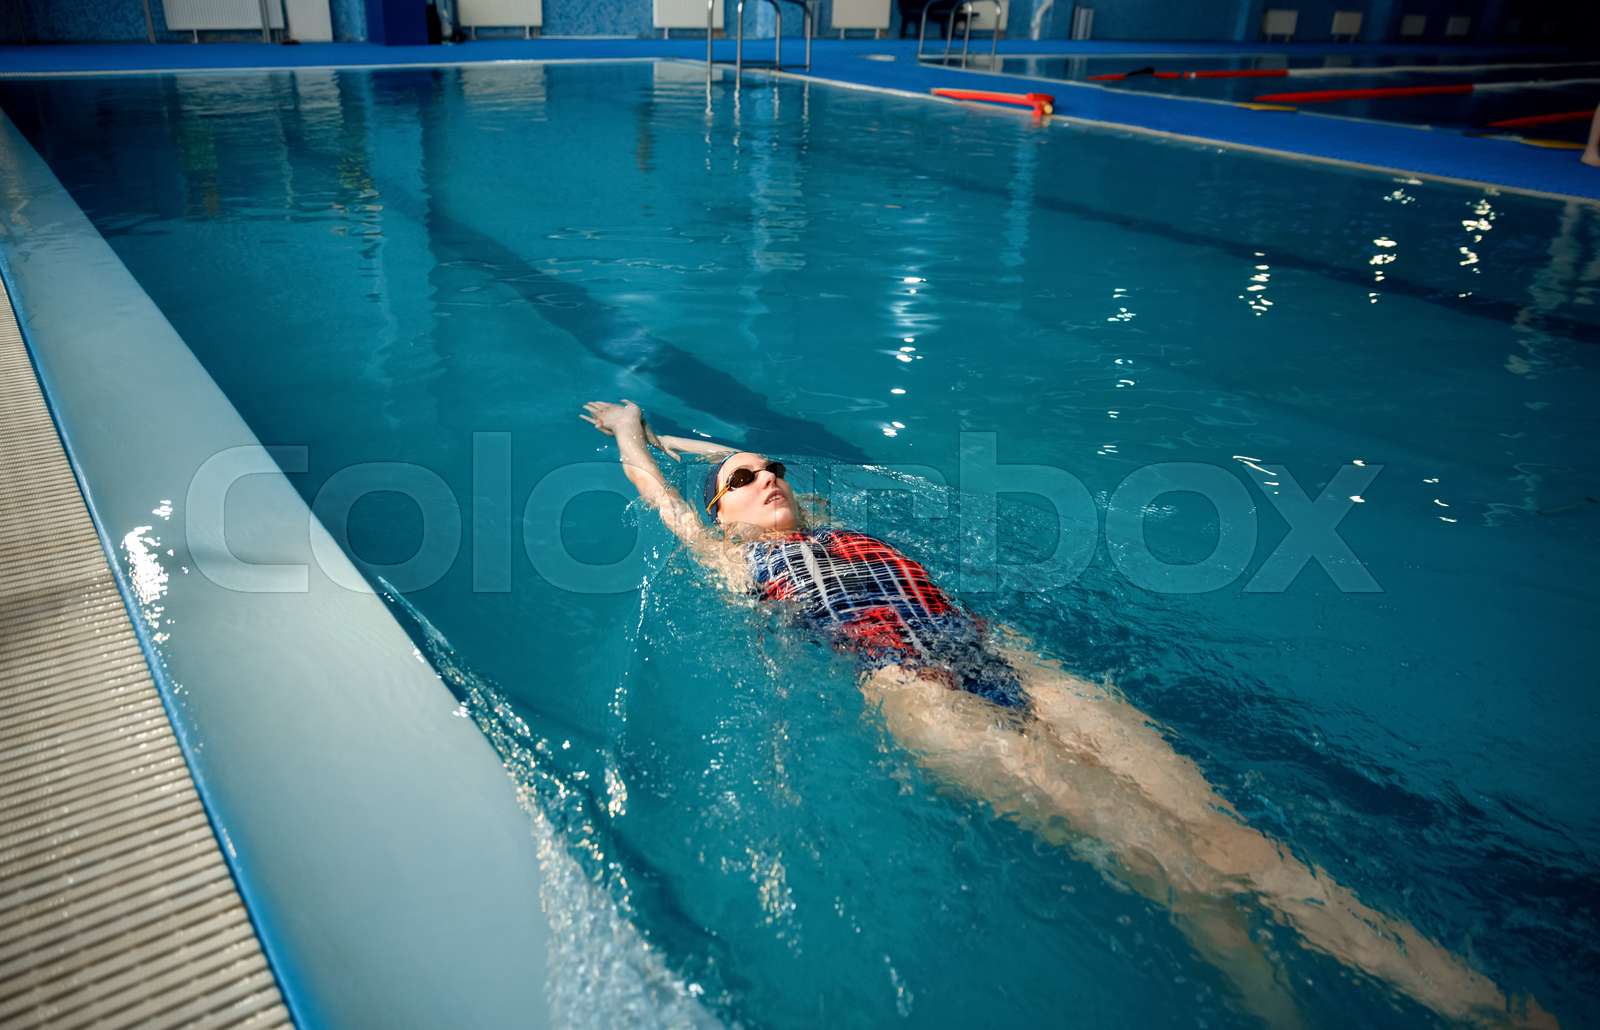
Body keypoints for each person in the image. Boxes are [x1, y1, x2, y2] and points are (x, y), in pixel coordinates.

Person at [580, 399, 1554, 1028]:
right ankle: (1273, 1006)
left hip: (1011, 667)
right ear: (726, 518)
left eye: (772, 467)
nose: (765, 479)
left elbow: (732, 463)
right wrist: (635, 434)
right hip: (918, 694)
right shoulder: (736, 561)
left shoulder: (832, 526)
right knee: (1171, 859)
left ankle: (1479, 1003)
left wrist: (700, 438)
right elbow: (666, 497)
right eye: (743, 482)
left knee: (1232, 840)